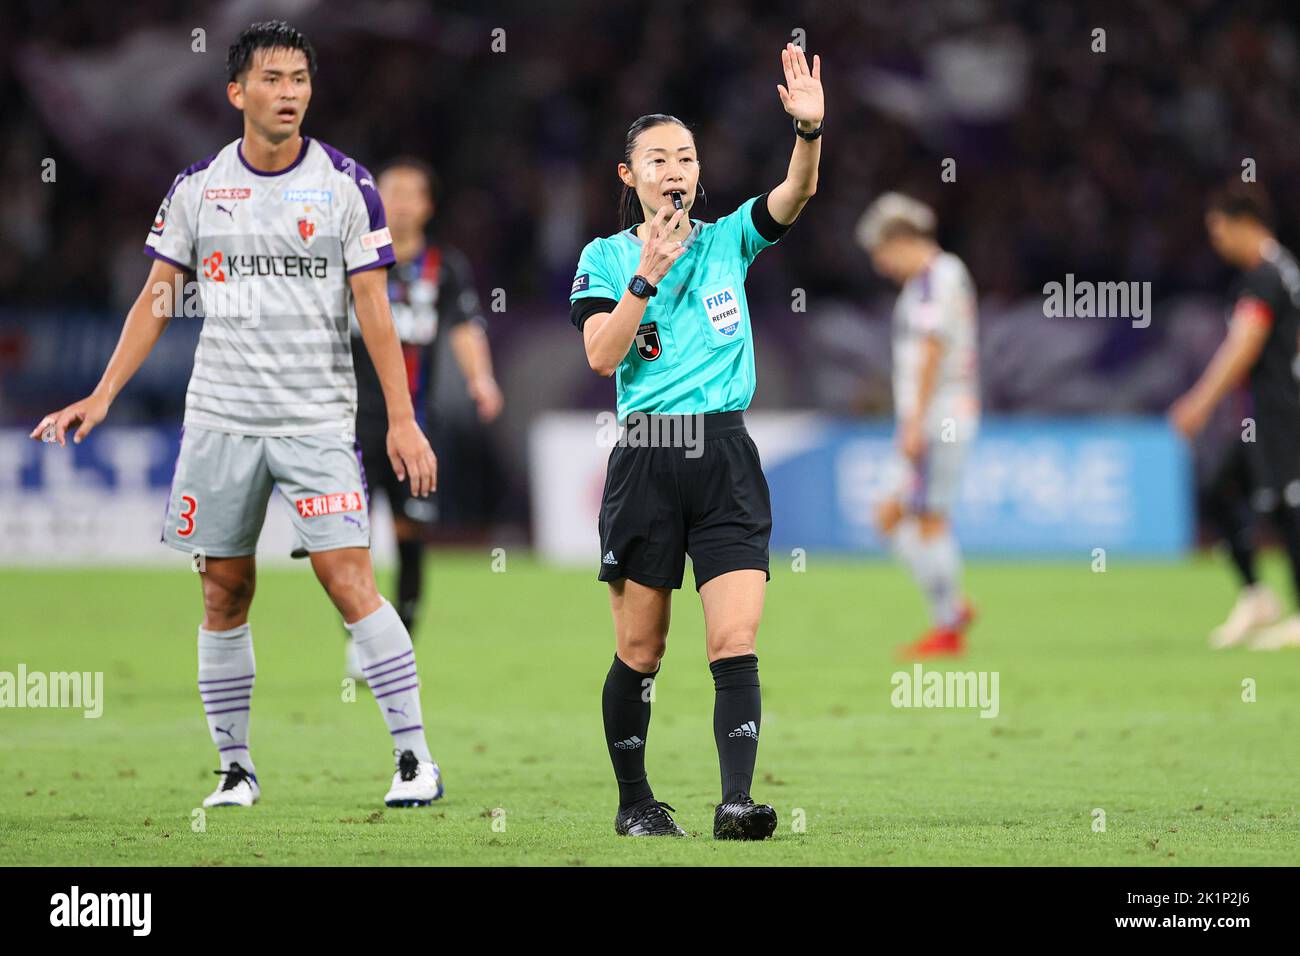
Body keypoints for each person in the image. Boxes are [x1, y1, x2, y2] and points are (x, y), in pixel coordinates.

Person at [29, 21, 444, 808]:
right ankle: (235, 770)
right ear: (237, 92)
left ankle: (415, 760)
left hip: (317, 419)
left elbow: (374, 309)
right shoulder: (197, 187)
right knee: (224, 590)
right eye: (274, 80)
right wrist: (105, 393)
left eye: (300, 80)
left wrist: (401, 417)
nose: (290, 94)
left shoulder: (345, 186)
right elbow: (159, 297)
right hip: (220, 418)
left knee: (348, 578)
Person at [568, 43, 823, 839]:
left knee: (734, 637)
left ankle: (736, 803)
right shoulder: (605, 257)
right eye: (657, 157)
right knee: (642, 650)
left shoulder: (727, 240)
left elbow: (792, 195)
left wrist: (808, 134)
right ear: (629, 175)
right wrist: (645, 275)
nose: (673, 168)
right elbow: (602, 356)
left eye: (685, 157)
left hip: (724, 455)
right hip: (647, 455)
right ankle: (635, 803)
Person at [292, 156, 503, 677]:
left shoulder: (444, 267)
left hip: (414, 426)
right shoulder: (348, 257)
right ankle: (360, 637)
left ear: (428, 206)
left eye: (413, 193)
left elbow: (464, 327)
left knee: (411, 536)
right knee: (346, 540)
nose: (401, 202)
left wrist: (481, 378)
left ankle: (398, 645)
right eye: (392, 191)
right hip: (347, 426)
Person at [1171, 185, 1300, 650]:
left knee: (1289, 508)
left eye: (1219, 230)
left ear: (1244, 222)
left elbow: (1243, 346)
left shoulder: (1265, 276)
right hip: (1266, 414)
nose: (1216, 241)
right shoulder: (1283, 272)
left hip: (1281, 414)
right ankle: (1257, 595)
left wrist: (1199, 403)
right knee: (1218, 489)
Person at [856, 193, 979, 659]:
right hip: (946, 413)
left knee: (912, 518)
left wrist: (913, 422)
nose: (881, 266)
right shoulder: (946, 275)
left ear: (900, 240)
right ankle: (950, 606)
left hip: (937, 418)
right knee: (923, 517)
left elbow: (930, 348)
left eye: (881, 254)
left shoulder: (932, 280)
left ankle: (947, 622)